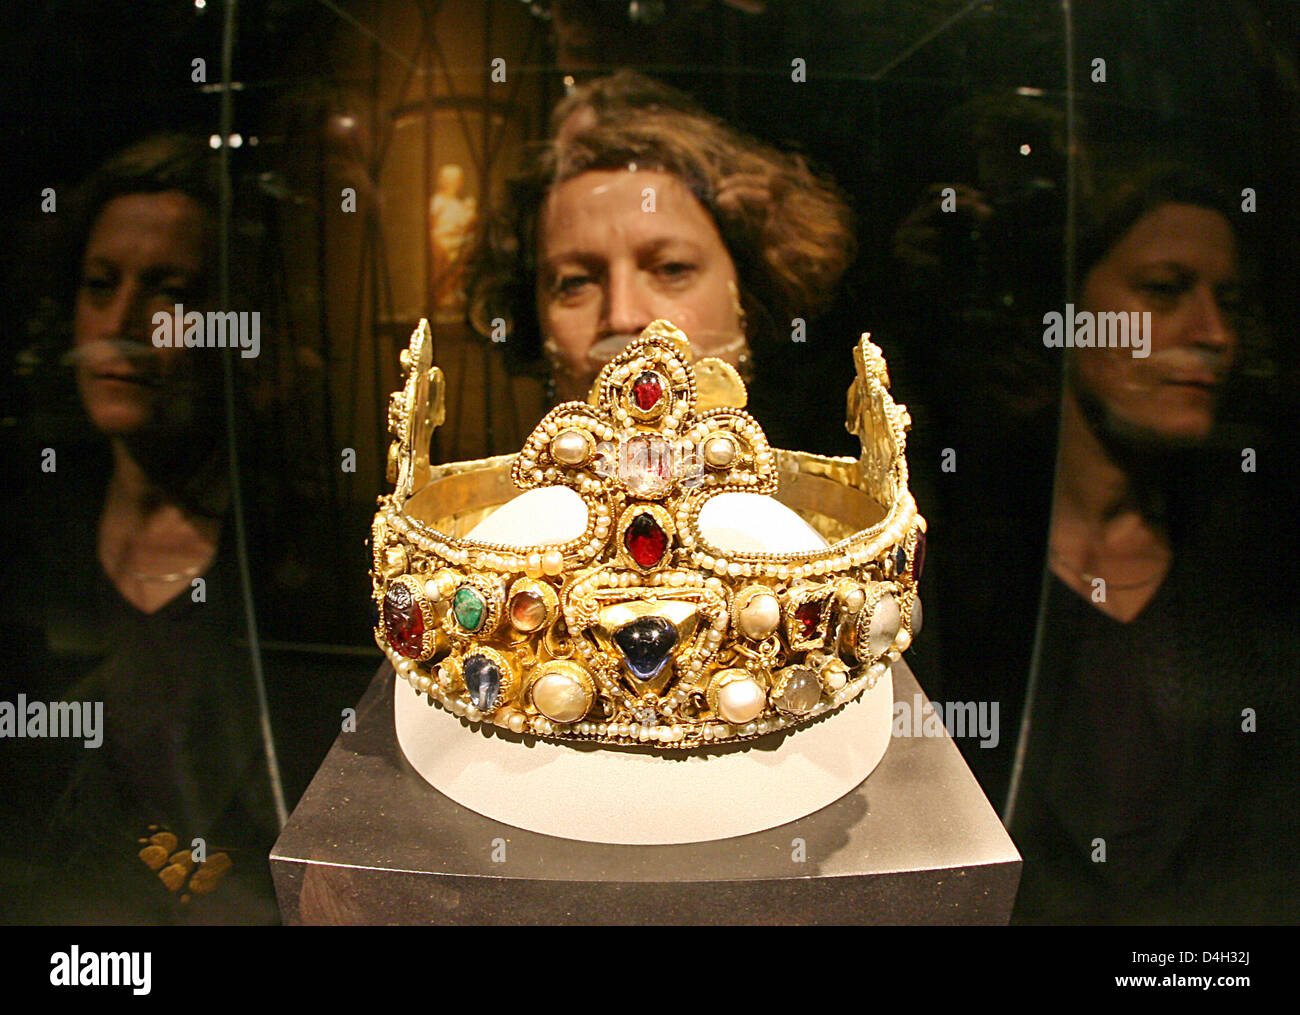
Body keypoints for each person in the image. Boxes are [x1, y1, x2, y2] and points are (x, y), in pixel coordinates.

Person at [1005, 163, 1300, 922]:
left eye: (1227, 303)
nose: (1213, 335)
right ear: (1067, 310)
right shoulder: (963, 565)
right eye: (1165, 290)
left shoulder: (1257, 567)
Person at [0, 135, 283, 924]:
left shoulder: (283, 552)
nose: (123, 322)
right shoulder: (32, 530)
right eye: (100, 285)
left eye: (170, 294)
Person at [466, 72, 856, 451]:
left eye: (672, 269)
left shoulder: (814, 516)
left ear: (749, 297)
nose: (622, 317)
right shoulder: (506, 520)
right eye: (575, 282)